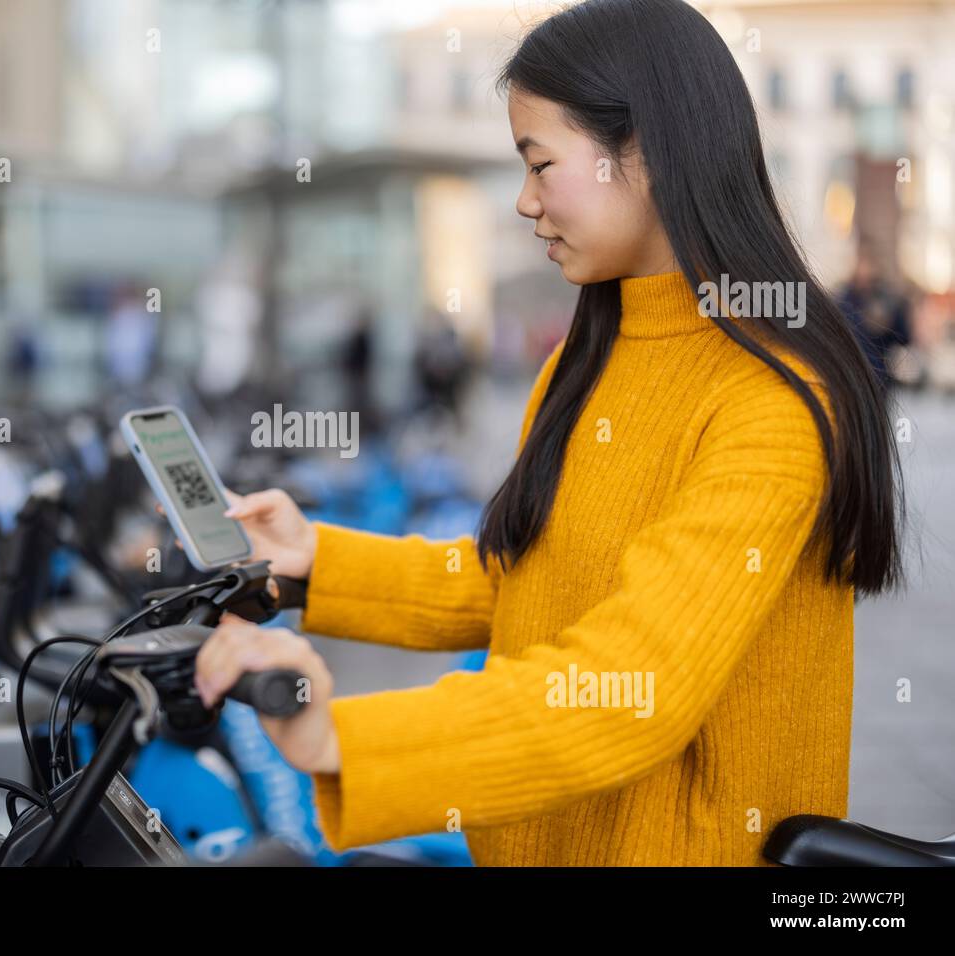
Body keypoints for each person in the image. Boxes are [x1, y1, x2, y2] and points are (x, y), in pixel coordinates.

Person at [194, 0, 903, 867]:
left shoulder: (769, 401)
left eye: (542, 163)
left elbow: (633, 688)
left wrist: (338, 738)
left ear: (644, 153)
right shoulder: (589, 358)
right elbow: (527, 582)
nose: (526, 201)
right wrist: (318, 559)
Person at [836, 249, 913, 393]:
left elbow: (904, 338)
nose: (864, 270)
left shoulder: (887, 299)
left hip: (878, 380)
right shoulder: (843, 299)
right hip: (849, 379)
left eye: (869, 265)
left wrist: (890, 321)